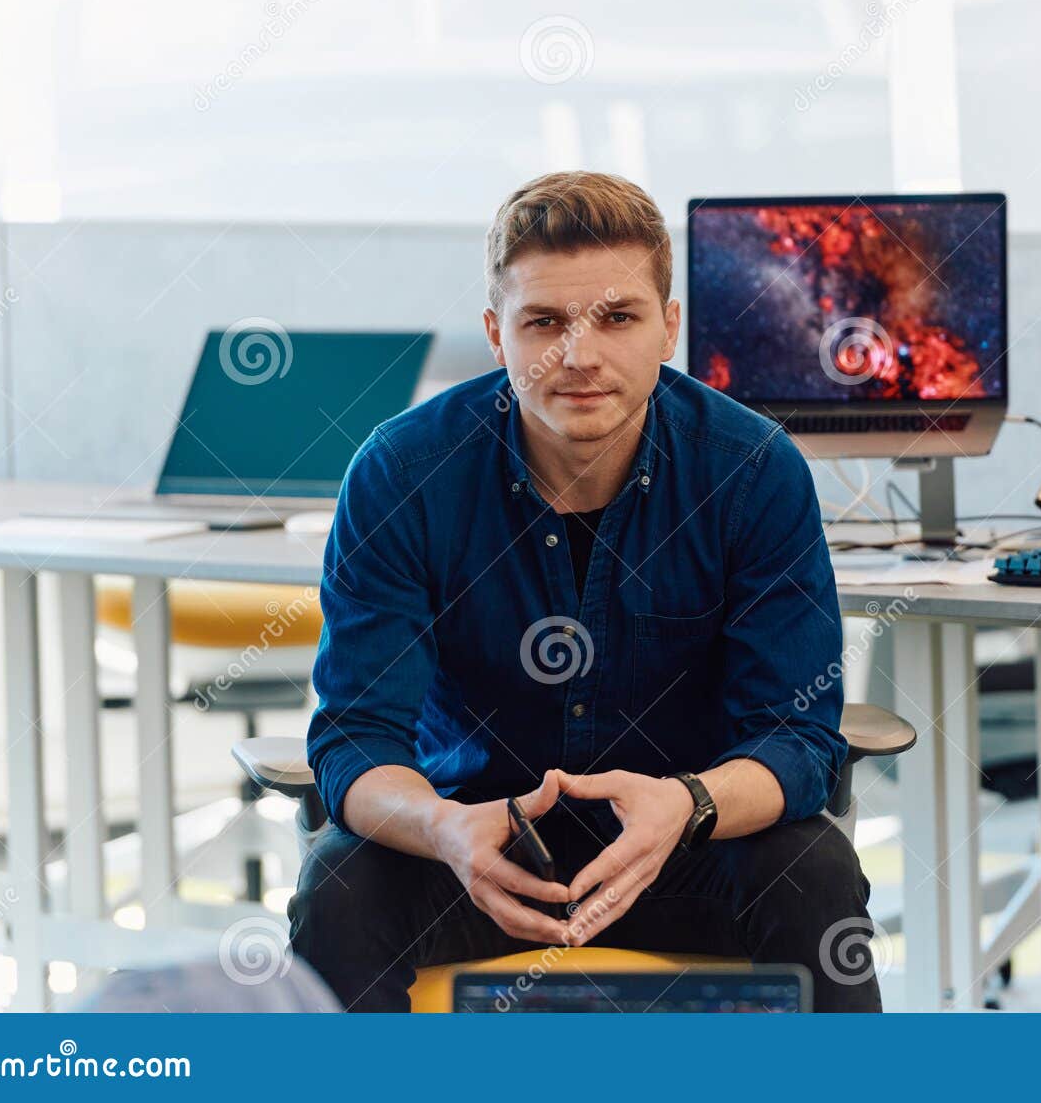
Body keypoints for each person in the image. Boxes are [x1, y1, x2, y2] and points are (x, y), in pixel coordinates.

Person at [290, 171, 879, 1012]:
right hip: (476, 845)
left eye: (617, 317)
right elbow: (356, 736)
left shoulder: (750, 470)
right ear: (498, 335)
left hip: (687, 844)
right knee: (340, 887)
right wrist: (443, 828)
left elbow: (796, 736)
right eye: (544, 323)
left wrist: (689, 803)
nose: (580, 355)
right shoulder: (403, 472)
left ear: (669, 327)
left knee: (810, 871)